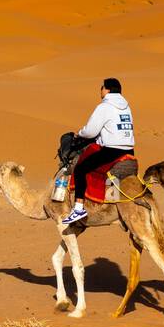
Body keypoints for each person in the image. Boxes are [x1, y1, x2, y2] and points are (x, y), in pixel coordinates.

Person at [60, 78, 134, 226]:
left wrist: (79, 133)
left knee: (80, 169)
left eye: (102, 87)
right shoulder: (126, 106)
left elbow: (91, 131)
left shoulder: (104, 107)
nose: (100, 90)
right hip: (129, 149)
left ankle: (79, 208)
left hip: (112, 150)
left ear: (107, 90)